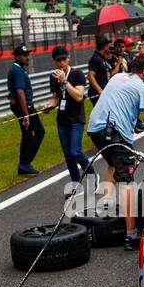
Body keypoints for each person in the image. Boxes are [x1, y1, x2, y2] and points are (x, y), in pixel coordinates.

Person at [86, 54, 144, 250]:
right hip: (115, 133)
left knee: (112, 163)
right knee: (127, 183)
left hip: (94, 129)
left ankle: (106, 204)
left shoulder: (117, 77)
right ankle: (131, 234)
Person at [46, 45, 89, 185]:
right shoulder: (54, 77)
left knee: (76, 152)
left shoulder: (77, 74)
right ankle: (76, 183)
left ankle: (91, 173)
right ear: (54, 61)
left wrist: (65, 81)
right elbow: (56, 97)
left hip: (76, 118)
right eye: (58, 61)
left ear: (68, 58)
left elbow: (78, 96)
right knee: (68, 155)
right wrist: (49, 106)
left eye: (64, 59)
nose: (61, 63)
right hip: (62, 120)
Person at [6, 44, 45, 175]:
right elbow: (20, 92)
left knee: (27, 134)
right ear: (17, 57)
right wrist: (26, 114)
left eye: (28, 54)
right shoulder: (17, 70)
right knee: (39, 131)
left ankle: (23, 165)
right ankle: (25, 163)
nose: (27, 57)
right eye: (24, 55)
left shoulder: (19, 69)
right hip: (24, 107)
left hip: (22, 105)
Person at [87, 34, 114, 102]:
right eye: (108, 45)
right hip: (98, 94)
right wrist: (100, 90)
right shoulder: (96, 58)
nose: (109, 47)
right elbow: (90, 76)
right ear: (105, 47)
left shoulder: (101, 58)